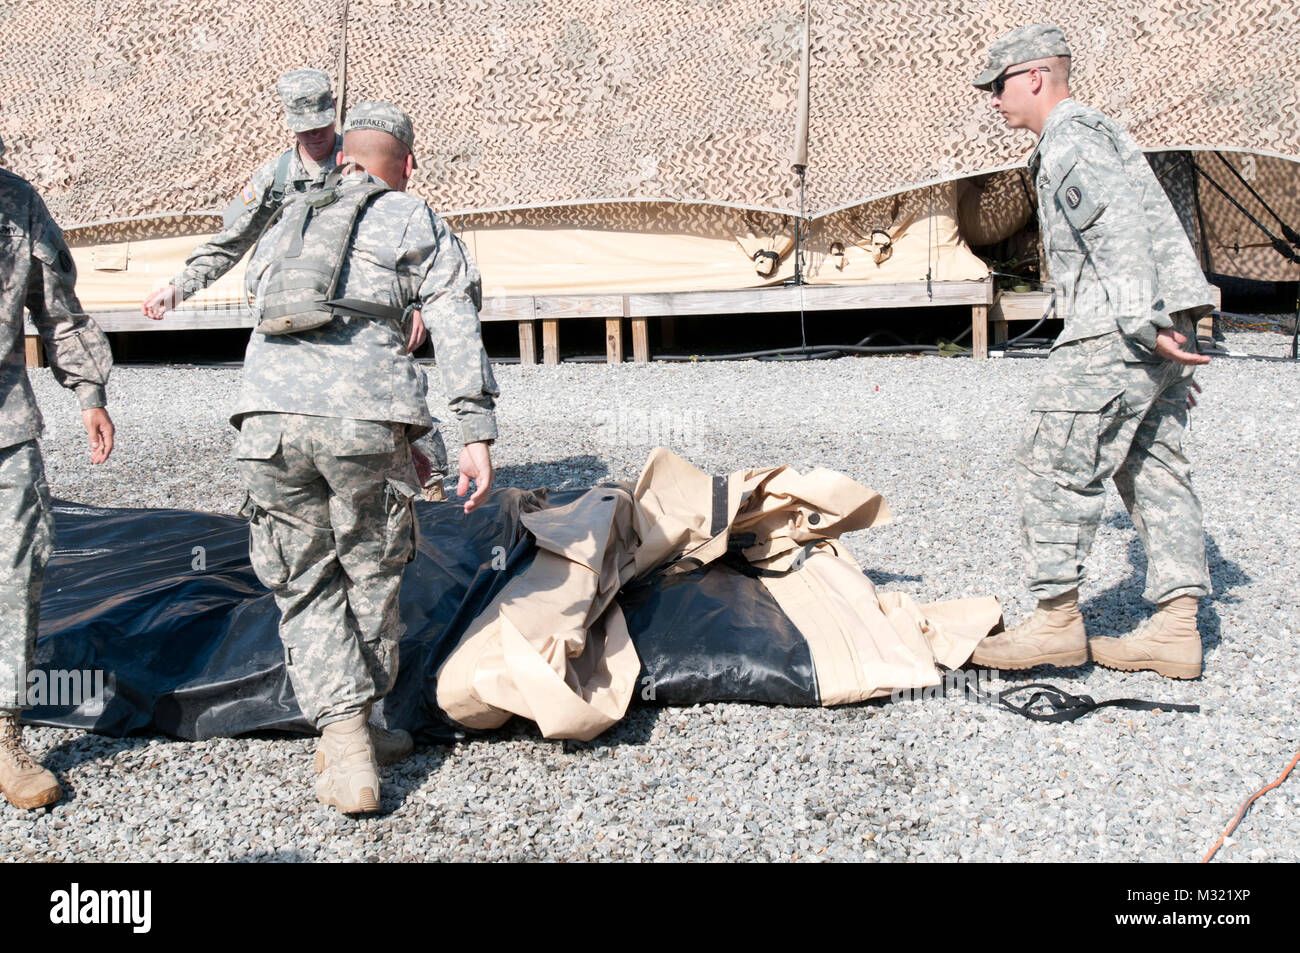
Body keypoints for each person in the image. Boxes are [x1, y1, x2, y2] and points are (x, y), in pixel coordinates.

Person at [233, 102, 499, 813]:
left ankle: (350, 729)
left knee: (304, 579)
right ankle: (355, 732)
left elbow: (255, 295)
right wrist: (474, 431)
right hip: (365, 419)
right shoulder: (413, 217)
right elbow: (454, 313)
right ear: (406, 166)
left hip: (267, 423)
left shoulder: (287, 213)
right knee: (372, 569)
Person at [968, 24, 1215, 679]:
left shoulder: (1071, 141)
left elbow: (1118, 231)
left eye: (998, 85)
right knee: (1154, 466)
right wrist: (1179, 321)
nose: (994, 100)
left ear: (1035, 77)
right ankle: (1176, 628)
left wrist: (1143, 317)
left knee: (1051, 460)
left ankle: (1054, 623)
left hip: (1116, 325)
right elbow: (1156, 225)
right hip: (1155, 325)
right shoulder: (1100, 132)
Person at [141, 67, 451, 492]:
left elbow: (405, 240)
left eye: (322, 126)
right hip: (301, 305)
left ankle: (424, 480)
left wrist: (415, 306)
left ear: (333, 116)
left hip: (367, 306)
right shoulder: (278, 177)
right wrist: (180, 287)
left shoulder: (364, 155)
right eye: (305, 130)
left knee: (395, 388)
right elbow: (231, 241)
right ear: (290, 124)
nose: (315, 137)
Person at [0, 136, 115, 809]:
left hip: (6, 422)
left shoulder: (16, 202)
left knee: (17, 567)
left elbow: (59, 308)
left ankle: (4, 730)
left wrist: (89, 394)